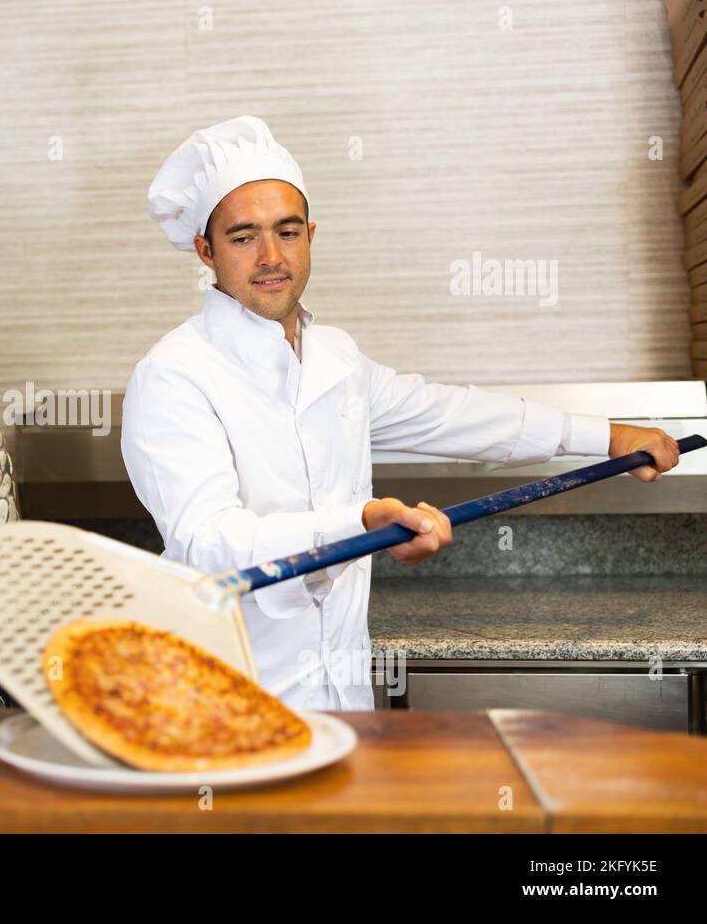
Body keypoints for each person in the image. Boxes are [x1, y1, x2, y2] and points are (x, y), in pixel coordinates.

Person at [121, 115, 682, 710]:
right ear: (206, 251)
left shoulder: (334, 357)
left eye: (287, 232)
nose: (270, 256)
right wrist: (358, 524)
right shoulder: (173, 375)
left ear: (311, 234)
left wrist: (605, 436)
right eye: (243, 237)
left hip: (345, 702)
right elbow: (210, 544)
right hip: (226, 706)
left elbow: (448, 414)